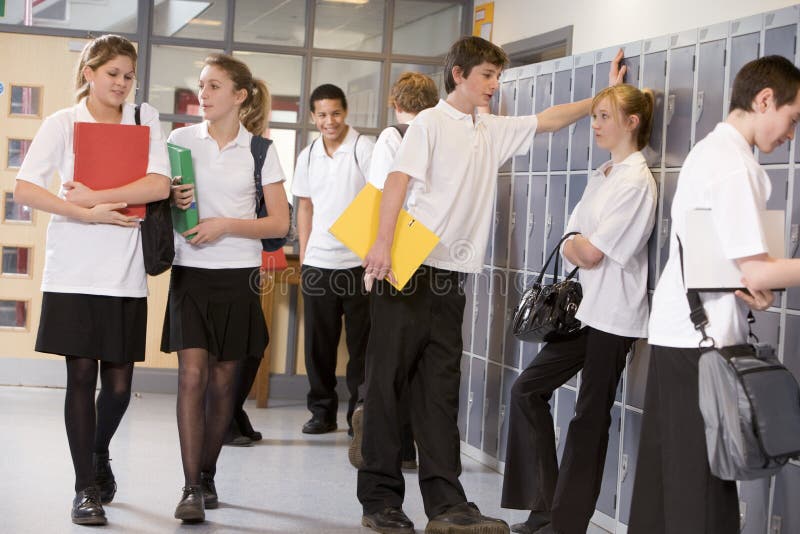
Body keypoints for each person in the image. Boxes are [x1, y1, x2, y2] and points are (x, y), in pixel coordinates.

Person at [357, 36, 626, 534]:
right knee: (387, 386)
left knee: (439, 390)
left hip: (451, 277)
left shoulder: (491, 129)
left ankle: (447, 504)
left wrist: (600, 100)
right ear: (458, 74)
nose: (494, 85)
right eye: (486, 76)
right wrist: (381, 244)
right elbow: (396, 182)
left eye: (498, 76)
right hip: (407, 268)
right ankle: (380, 502)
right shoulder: (430, 124)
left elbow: (546, 119)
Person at [629, 55, 800, 534]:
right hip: (697, 342)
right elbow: (756, 268)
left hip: (678, 329)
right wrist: (759, 277)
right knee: (702, 483)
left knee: (665, 475)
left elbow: (719, 253)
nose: (790, 134)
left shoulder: (711, 150)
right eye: (792, 120)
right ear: (765, 99)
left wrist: (751, 283)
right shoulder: (734, 166)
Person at [13, 35, 171, 526]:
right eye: (113, 74)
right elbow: (25, 188)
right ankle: (85, 488)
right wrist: (84, 213)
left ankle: (98, 453)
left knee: (120, 386)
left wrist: (95, 197)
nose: (122, 83)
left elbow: (159, 184)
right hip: (74, 270)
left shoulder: (145, 120)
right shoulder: (63, 122)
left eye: (128, 75)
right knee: (81, 378)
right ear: (89, 73)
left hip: (124, 272)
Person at [500, 84, 656, 534]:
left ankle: (565, 524)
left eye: (605, 116)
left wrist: (576, 241)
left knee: (589, 418)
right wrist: (577, 241)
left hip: (614, 317)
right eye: (595, 116)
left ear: (632, 122)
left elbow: (589, 252)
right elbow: (573, 240)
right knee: (527, 390)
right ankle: (545, 506)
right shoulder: (603, 173)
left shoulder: (636, 182)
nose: (596, 124)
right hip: (584, 312)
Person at [163, 53, 290, 522]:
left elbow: (279, 221)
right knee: (192, 375)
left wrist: (226, 226)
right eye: (202, 85)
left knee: (222, 384)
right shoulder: (178, 141)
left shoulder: (261, 150)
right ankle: (190, 485)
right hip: (189, 275)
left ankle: (208, 471)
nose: (204, 94)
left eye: (214, 86)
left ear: (240, 95)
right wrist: (169, 198)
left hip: (238, 277)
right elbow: (162, 205)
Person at [348, 71, 440, 471]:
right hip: (430, 255)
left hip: (397, 254)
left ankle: (380, 432)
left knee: (388, 356)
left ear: (396, 104)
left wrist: (373, 258)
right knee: (411, 358)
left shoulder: (392, 137)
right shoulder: (437, 135)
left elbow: (381, 194)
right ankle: (397, 442)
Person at [292, 84, 375, 436]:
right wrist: (307, 255)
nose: (330, 121)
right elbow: (305, 206)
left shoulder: (364, 148)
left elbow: (380, 199)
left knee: (361, 347)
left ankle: (360, 413)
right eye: (322, 115)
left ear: (346, 112)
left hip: (359, 265)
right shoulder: (308, 154)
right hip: (318, 265)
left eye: (336, 113)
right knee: (318, 346)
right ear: (313, 117)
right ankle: (321, 412)